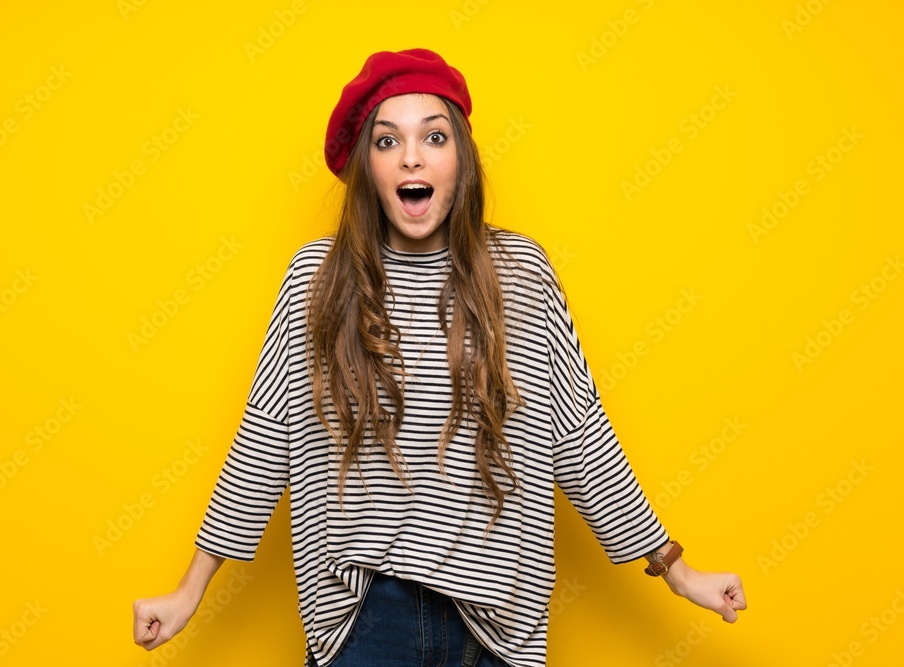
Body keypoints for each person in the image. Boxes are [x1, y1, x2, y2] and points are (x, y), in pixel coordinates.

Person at [132, 48, 746, 667]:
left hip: (498, 624)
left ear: (462, 161)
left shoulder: (521, 274)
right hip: (365, 616)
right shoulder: (318, 278)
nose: (412, 156)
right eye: (387, 140)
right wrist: (191, 591)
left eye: (434, 135)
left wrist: (675, 567)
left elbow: (580, 434)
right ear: (368, 169)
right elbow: (265, 436)